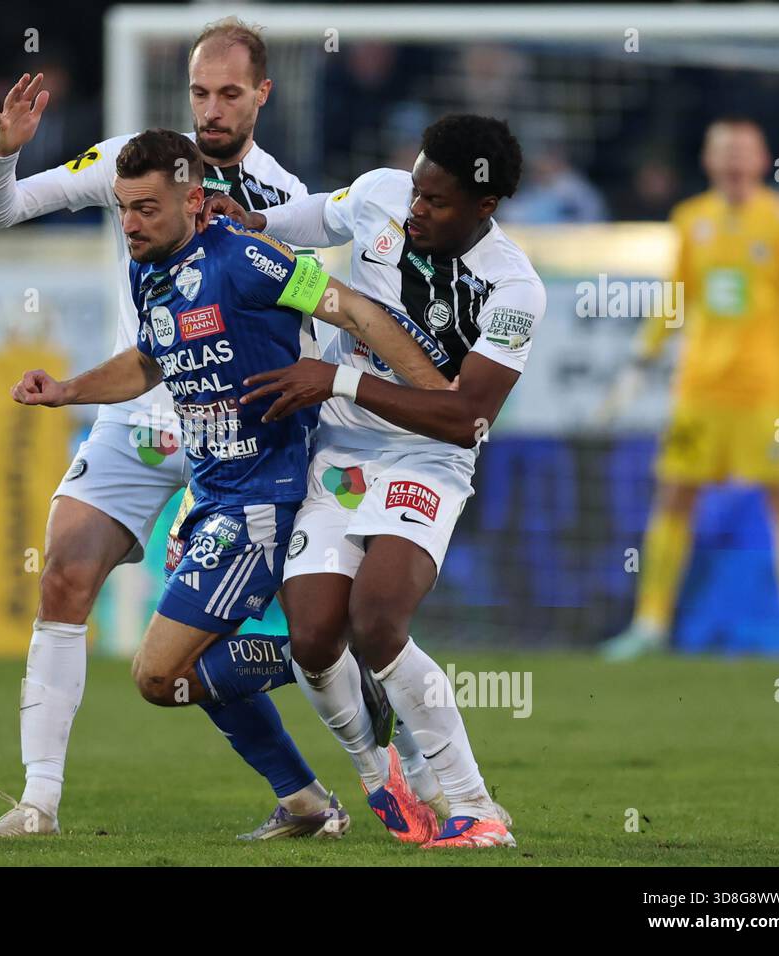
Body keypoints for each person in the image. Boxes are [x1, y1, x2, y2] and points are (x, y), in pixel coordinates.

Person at [0, 18, 412, 836]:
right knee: (65, 571)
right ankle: (38, 803)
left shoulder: (282, 199)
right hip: (148, 408)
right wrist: (7, 152)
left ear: (262, 96)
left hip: (246, 434)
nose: (211, 109)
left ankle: (376, 770)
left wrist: (380, 395)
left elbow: (321, 310)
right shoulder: (126, 160)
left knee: (253, 633)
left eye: (229, 94)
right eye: (200, 92)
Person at [206, 114, 545, 847]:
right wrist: (256, 216)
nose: (416, 208)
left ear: (484, 207)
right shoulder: (384, 193)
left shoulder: (513, 289)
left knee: (380, 619)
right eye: (416, 190)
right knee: (315, 638)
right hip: (337, 451)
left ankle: (477, 809)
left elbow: (466, 420)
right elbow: (323, 211)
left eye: (437, 201)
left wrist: (340, 379)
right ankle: (383, 774)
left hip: (426, 456)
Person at [601, 117, 779, 661]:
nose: (733, 162)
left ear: (761, 159)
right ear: (709, 161)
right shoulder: (691, 220)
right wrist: (640, 360)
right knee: (675, 498)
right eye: (723, 152)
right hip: (699, 392)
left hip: (764, 395)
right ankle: (651, 625)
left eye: (743, 152)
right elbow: (674, 300)